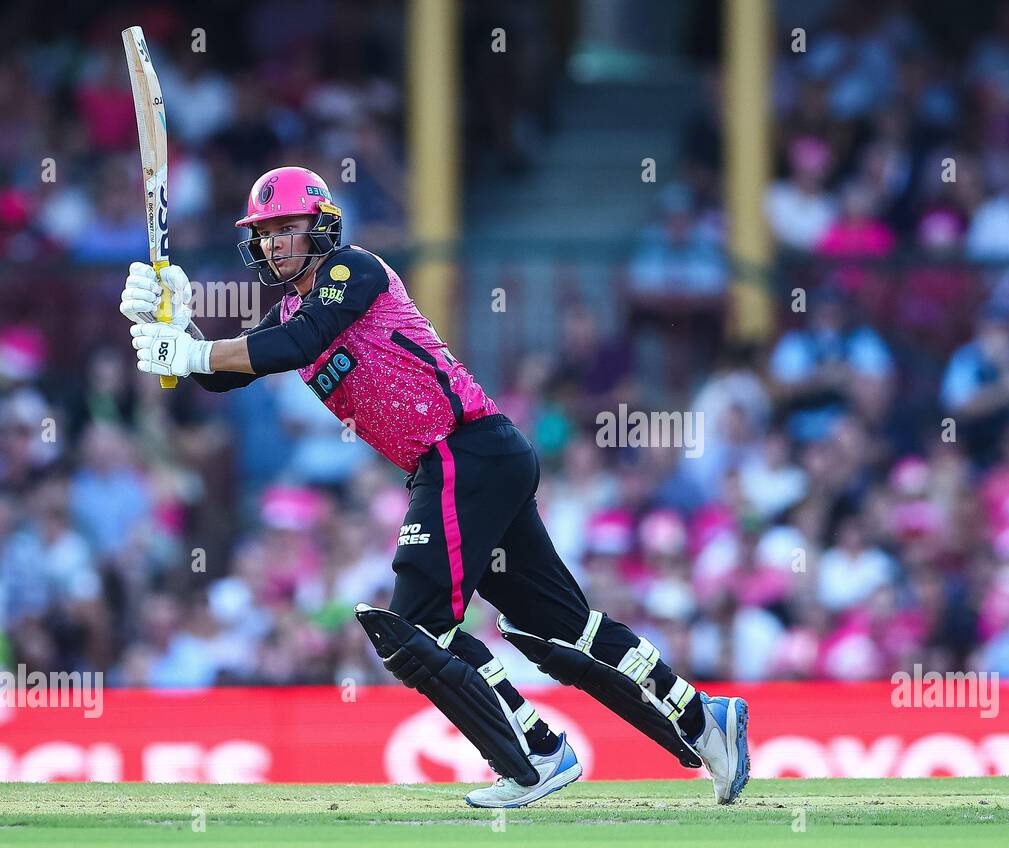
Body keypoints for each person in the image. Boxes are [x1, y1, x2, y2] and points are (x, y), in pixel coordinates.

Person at [120, 166, 749, 807]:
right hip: (476, 460)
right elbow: (230, 373)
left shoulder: (352, 271)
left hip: (462, 451)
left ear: (321, 226)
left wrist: (192, 351)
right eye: (267, 233)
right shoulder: (290, 310)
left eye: (288, 228)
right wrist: (181, 325)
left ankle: (534, 752)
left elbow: (291, 345)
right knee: (560, 632)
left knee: (418, 626)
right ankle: (704, 720)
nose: (278, 243)